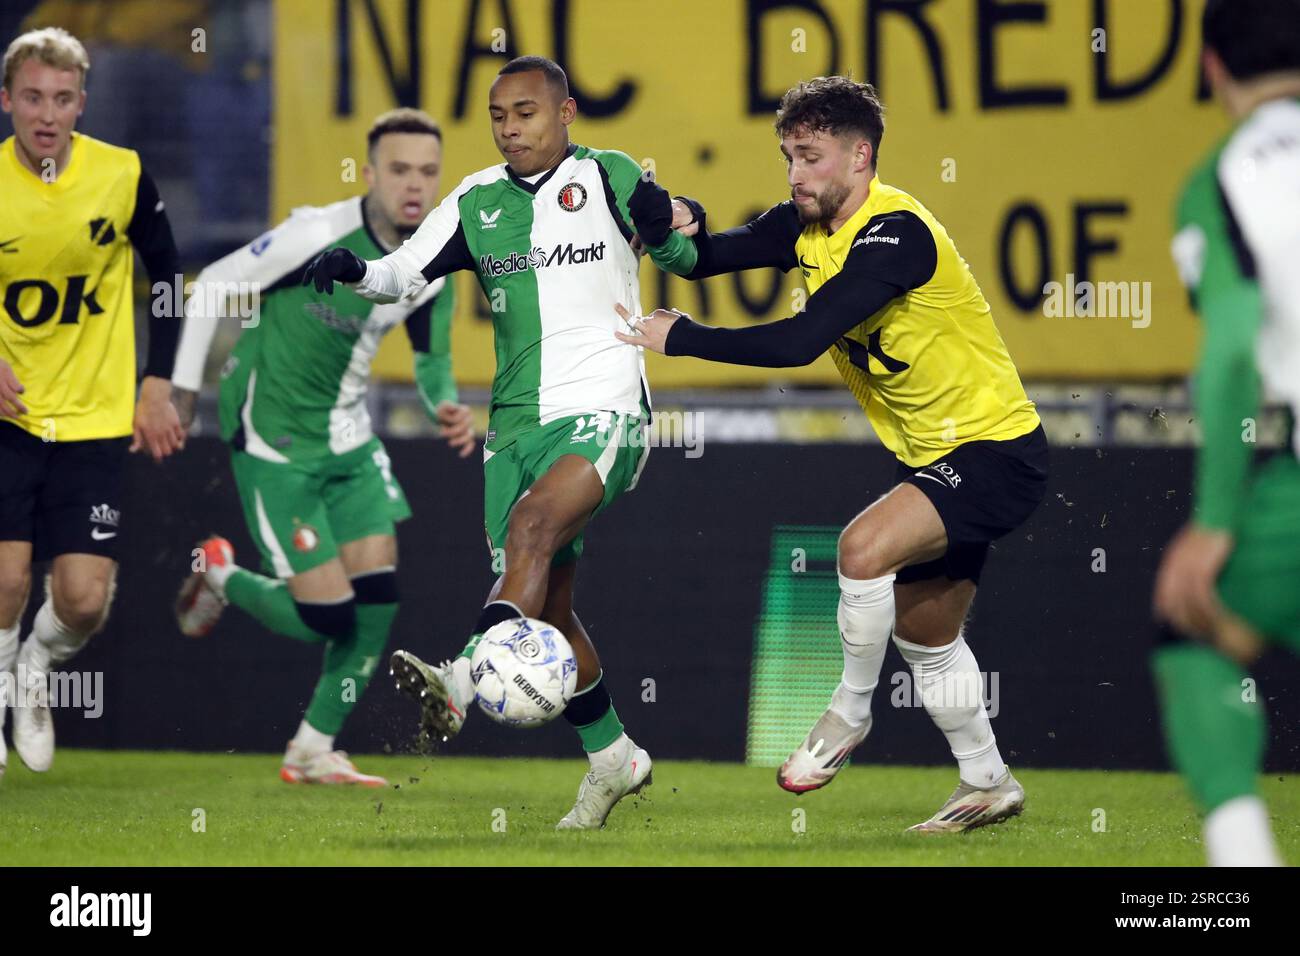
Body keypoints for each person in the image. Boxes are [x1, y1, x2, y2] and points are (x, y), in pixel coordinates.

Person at [617, 76, 1047, 832]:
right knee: (926, 636)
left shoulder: (895, 234)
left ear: (860, 155)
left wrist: (679, 338)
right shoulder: (803, 225)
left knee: (860, 550)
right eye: (787, 155)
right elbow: (703, 258)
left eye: (810, 156)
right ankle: (988, 782)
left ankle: (849, 712)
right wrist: (673, 218)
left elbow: (798, 342)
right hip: (936, 457)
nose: (795, 174)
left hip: (995, 450)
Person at [304, 55, 697, 828]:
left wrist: (664, 225)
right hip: (512, 427)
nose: (511, 128)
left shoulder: (610, 175)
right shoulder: (475, 200)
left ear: (566, 113)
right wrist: (355, 268)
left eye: (526, 113)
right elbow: (400, 274)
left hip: (605, 407)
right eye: (498, 117)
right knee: (546, 610)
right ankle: (614, 760)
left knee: (531, 528)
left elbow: (684, 257)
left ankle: (456, 680)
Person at [172, 108, 474, 787]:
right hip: (275, 440)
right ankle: (220, 573)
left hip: (348, 440)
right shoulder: (316, 232)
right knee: (329, 617)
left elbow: (432, 359)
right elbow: (215, 285)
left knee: (379, 599)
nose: (415, 186)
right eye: (399, 170)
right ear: (369, 175)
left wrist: (444, 404)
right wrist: (182, 392)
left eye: (428, 171)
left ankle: (313, 747)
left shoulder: (431, 262)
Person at [0, 27, 185, 780]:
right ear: (7, 100)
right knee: (5, 582)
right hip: (9, 416)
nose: (47, 114)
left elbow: (168, 274)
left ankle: (37, 667)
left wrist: (157, 381)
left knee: (79, 601)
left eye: (63, 99)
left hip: (94, 420)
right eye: (33, 97)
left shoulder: (122, 175)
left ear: (82, 103)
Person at [1152, 0, 1300, 867]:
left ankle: (1243, 869)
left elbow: (1232, 353)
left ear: (1211, 69)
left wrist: (1215, 519)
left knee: (1196, 628)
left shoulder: (1227, 176)